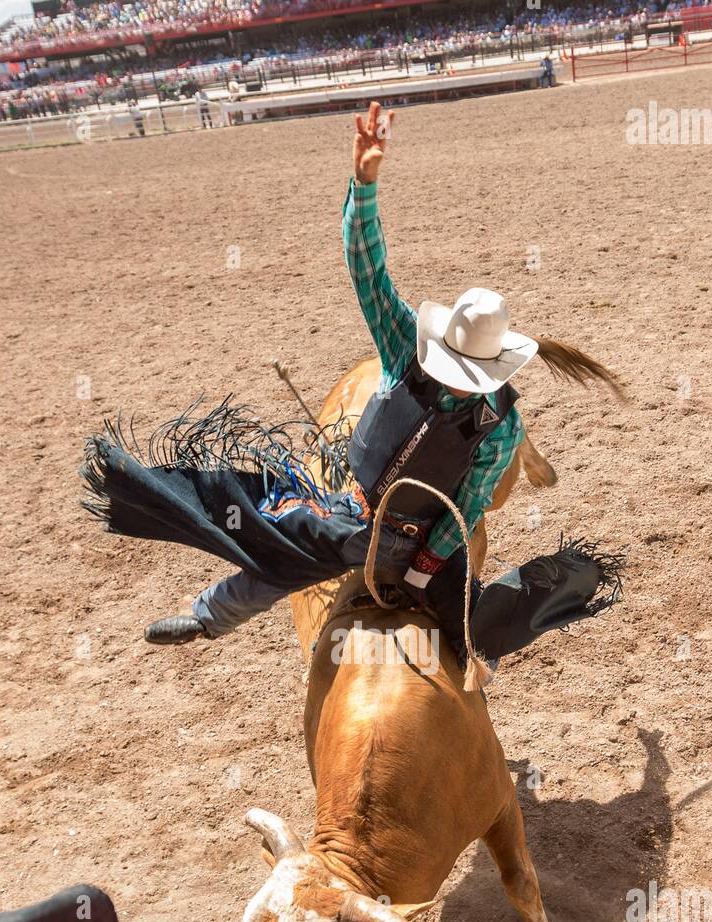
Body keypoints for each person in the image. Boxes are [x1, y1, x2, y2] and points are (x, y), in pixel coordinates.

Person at [82, 101, 623, 677]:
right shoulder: (425, 366)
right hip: (366, 525)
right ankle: (209, 616)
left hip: (406, 542)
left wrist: (419, 571)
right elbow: (368, 270)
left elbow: (464, 509)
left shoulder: (488, 416)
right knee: (304, 557)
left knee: (438, 627)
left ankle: (213, 617)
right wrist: (364, 184)